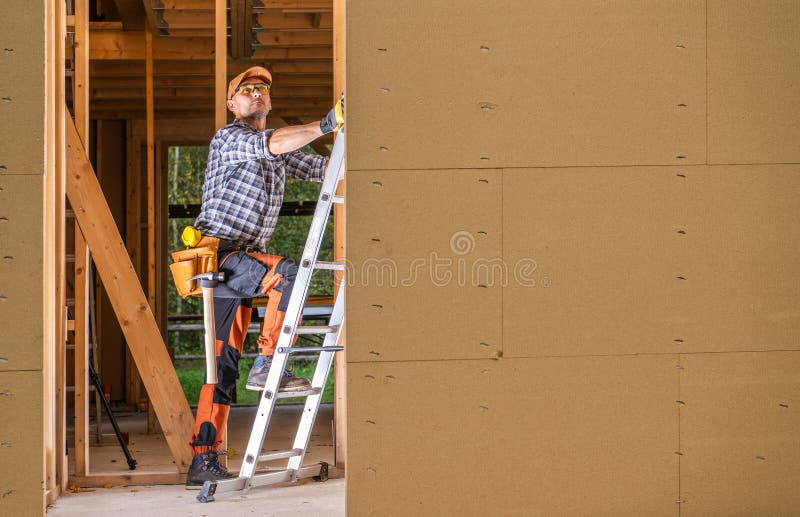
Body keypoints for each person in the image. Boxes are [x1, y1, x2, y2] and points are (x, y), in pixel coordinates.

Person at [185, 66, 343, 488]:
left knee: (221, 366)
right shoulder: (231, 138)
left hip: (241, 262)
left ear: (269, 101)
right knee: (287, 275)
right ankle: (269, 361)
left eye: (262, 90)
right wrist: (328, 122)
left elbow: (323, 169)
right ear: (231, 104)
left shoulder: (277, 149)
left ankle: (203, 461)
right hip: (219, 256)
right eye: (246, 90)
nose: (256, 94)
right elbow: (271, 144)